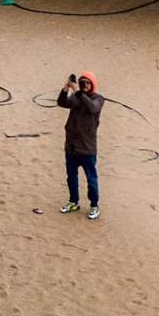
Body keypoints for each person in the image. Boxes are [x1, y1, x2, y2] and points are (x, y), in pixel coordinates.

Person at [57, 72, 104, 219]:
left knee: (91, 179)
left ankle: (94, 205)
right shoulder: (76, 98)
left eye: (87, 82)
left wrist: (77, 91)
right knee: (71, 176)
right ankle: (73, 202)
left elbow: (92, 108)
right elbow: (62, 103)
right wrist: (65, 89)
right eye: (82, 82)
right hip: (71, 146)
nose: (84, 85)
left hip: (87, 148)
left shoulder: (98, 99)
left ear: (93, 84)